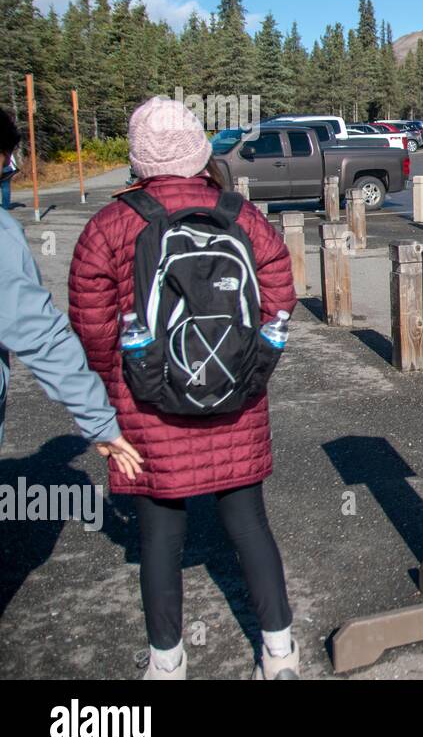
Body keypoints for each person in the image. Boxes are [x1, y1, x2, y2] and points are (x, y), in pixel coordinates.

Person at [68, 97, 299, 680]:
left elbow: (92, 327)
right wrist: (252, 361)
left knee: (160, 536)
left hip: (149, 406)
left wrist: (110, 389)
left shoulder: (112, 225)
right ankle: (280, 653)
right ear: (199, 150)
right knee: (249, 523)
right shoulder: (240, 215)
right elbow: (278, 299)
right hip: (235, 397)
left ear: (140, 158)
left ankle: (167, 662)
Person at [0, 107, 140, 473]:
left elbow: (89, 308)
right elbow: (40, 334)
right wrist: (100, 420)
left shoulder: (109, 223)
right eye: (4, 168)